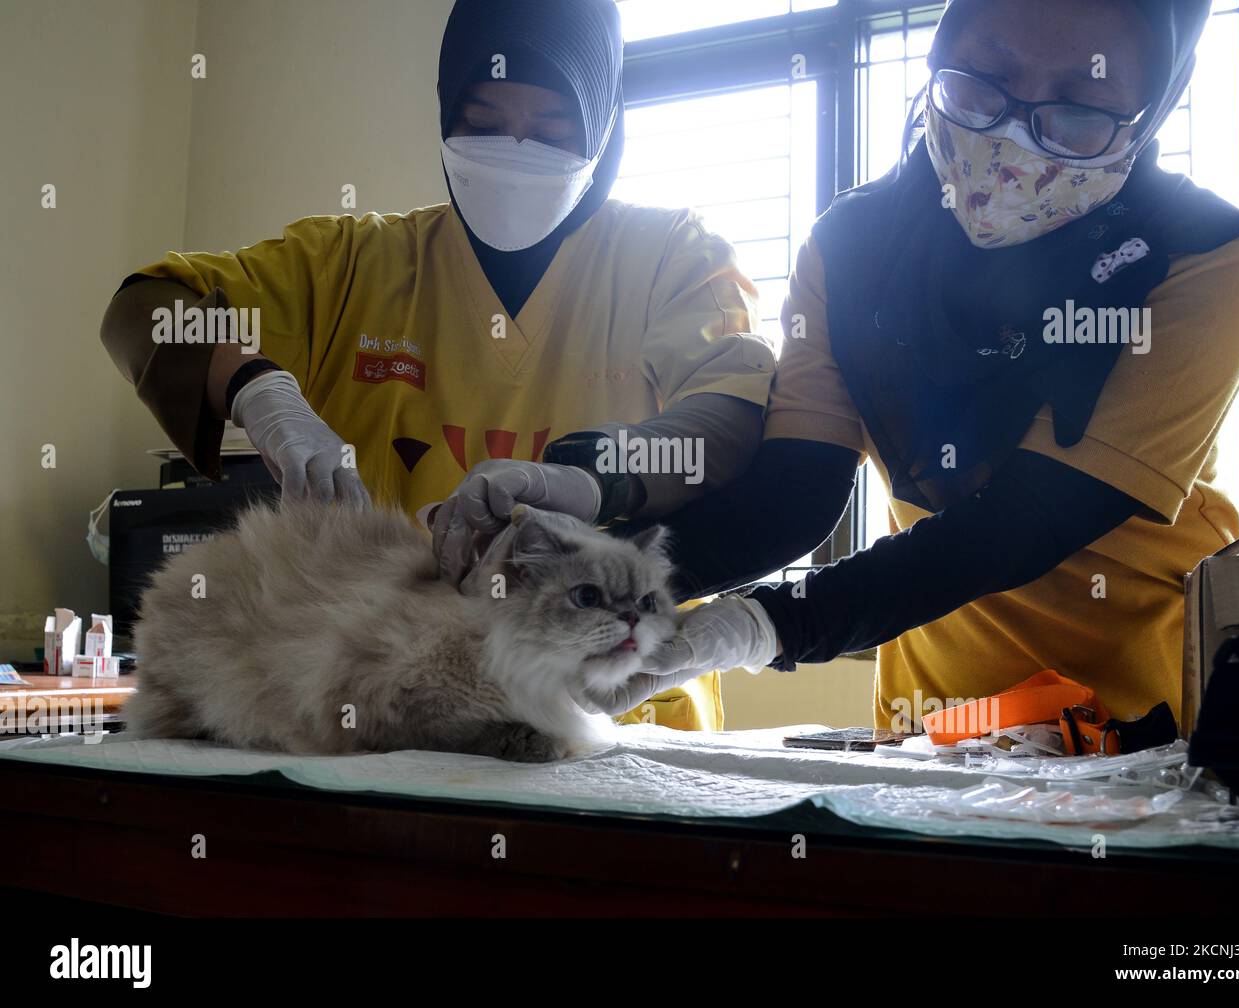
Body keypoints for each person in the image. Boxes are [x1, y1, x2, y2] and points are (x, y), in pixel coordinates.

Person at [578, 0, 1239, 733]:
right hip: (934, 726)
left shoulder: (1203, 257)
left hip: (1145, 724)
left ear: (1148, 113)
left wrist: (769, 624)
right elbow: (794, 492)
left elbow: (1029, 521)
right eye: (984, 80)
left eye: (1077, 109)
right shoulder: (852, 248)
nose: (1013, 136)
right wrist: (592, 578)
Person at [100, 0, 776, 732]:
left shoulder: (669, 261)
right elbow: (147, 310)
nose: (515, 148)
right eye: (482, 122)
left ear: (604, 126)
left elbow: (730, 419)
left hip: (620, 709)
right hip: (387, 702)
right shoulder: (354, 265)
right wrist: (262, 391)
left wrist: (593, 475)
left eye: (553, 130)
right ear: (445, 115)